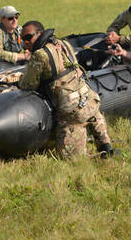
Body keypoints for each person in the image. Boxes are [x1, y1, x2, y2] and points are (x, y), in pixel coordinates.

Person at [17, 21, 113, 158]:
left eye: (28, 38)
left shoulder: (40, 55)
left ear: (39, 34)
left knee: (69, 158)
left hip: (71, 110)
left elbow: (27, 85)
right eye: (22, 39)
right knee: (94, 115)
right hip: (89, 98)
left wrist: (21, 77)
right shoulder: (63, 44)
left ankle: (98, 157)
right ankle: (106, 145)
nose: (25, 43)